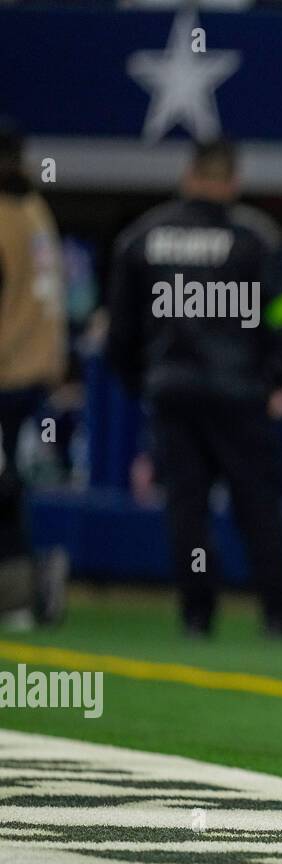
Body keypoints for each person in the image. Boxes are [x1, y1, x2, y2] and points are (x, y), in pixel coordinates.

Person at [107, 139, 282, 640]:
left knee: (186, 506)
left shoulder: (142, 238)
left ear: (189, 175)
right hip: (240, 395)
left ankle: (196, 614)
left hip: (172, 393)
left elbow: (120, 333)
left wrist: (140, 383)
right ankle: (280, 612)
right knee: (258, 505)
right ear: (232, 180)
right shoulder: (253, 237)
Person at [0, 119, 67, 630]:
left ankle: (23, 594)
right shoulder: (33, 206)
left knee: (6, 484)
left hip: (7, 371)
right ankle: (30, 588)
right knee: (9, 482)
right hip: (36, 369)